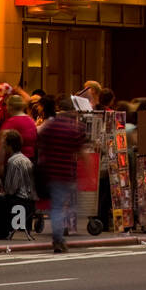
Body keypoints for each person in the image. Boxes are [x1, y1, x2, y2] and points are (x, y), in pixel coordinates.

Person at [38, 97, 88, 252]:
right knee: (64, 206)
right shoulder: (75, 128)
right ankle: (58, 239)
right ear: (72, 111)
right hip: (67, 171)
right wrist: (87, 171)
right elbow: (81, 152)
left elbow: (40, 144)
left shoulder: (49, 127)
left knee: (57, 206)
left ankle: (58, 237)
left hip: (51, 171)